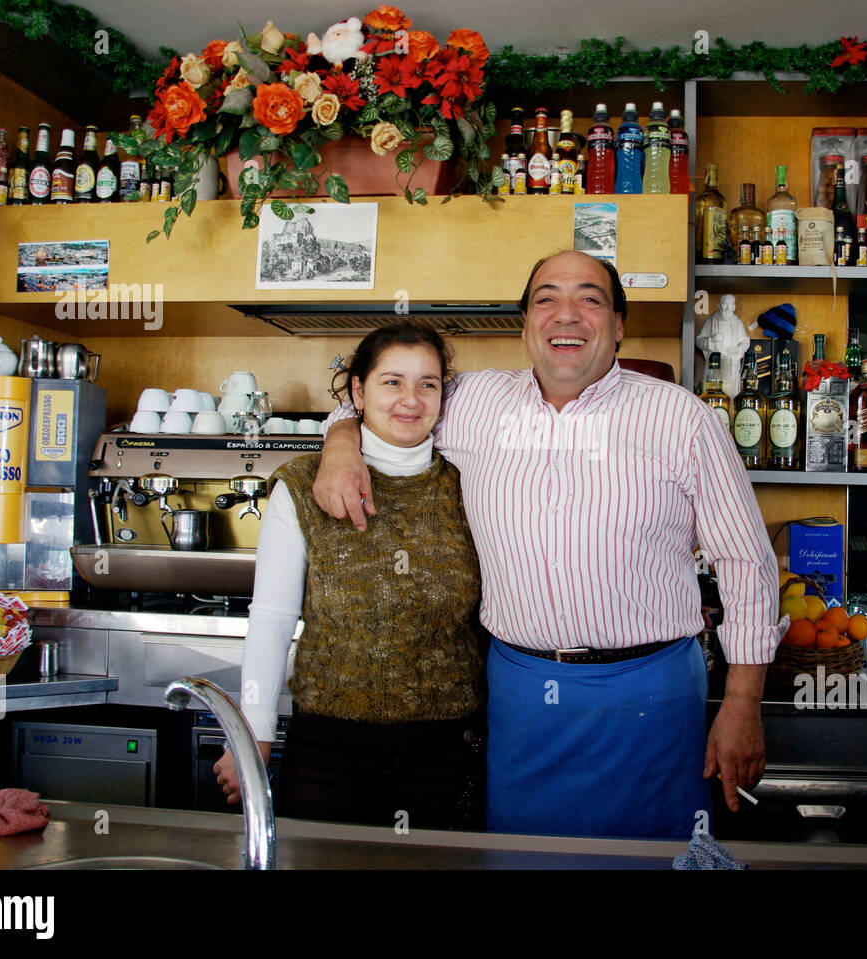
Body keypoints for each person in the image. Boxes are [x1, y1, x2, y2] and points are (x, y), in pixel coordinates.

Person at [314, 251, 782, 840]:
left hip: (651, 692)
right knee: (522, 853)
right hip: (522, 691)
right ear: (525, 323)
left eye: (589, 298)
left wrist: (743, 703)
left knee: (652, 857)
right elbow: (382, 404)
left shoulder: (681, 419)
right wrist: (339, 445)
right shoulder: (473, 403)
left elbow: (747, 564)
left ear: (617, 325)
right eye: (546, 299)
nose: (566, 315)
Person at [215, 320, 487, 831]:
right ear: (358, 391)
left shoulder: (471, 486)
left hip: (451, 749)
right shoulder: (301, 485)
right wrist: (254, 731)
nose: (411, 399)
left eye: (428, 383)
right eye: (392, 382)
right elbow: (272, 618)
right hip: (329, 749)